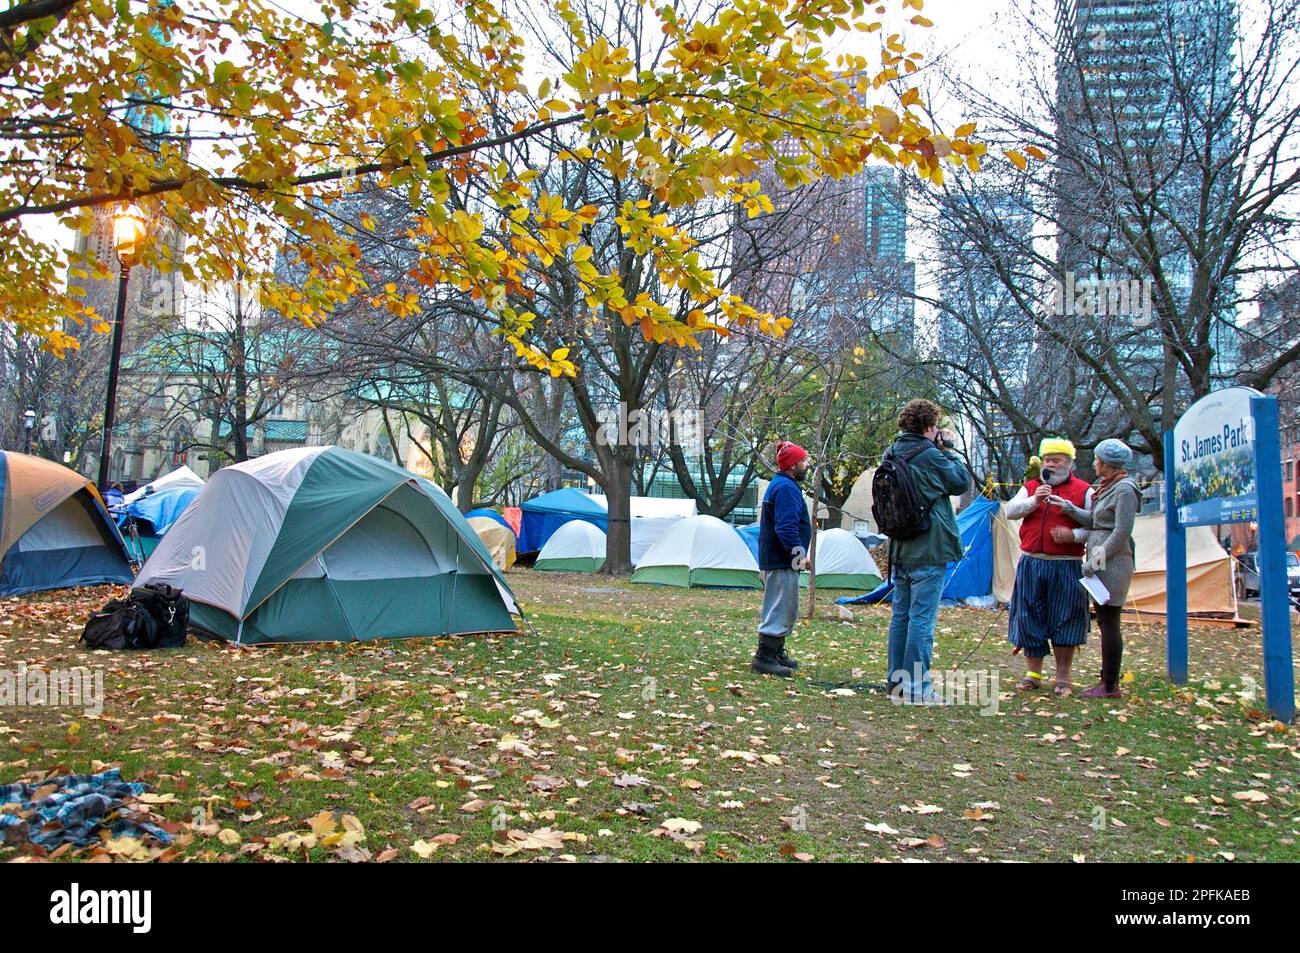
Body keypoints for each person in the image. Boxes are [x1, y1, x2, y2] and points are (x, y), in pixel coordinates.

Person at [884, 399, 970, 703]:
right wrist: (947, 448)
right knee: (922, 619)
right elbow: (960, 482)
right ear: (929, 426)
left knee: (901, 616)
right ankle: (918, 689)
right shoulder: (931, 454)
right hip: (929, 545)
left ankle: (896, 682)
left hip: (900, 546)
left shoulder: (891, 452)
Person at [1050, 439, 1140, 699]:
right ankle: (1107, 681)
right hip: (1100, 560)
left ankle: (1110, 685)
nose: (1095, 463)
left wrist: (1094, 561)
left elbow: (1121, 531)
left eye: (1099, 460)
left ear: (1109, 464)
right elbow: (1096, 520)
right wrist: (1068, 508)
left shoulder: (1124, 490)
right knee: (1103, 619)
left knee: (1110, 621)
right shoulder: (1108, 488)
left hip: (1113, 563)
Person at [1006, 438, 1093, 694]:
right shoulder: (1032, 486)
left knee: (1065, 620)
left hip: (1066, 565)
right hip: (1032, 563)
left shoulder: (1084, 490)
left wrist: (1073, 536)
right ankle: (1033, 675)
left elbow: (1096, 527)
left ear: (1069, 463)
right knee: (1028, 617)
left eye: (1056, 460)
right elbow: (1011, 511)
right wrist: (1034, 500)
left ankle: (1063, 678)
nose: (1051, 465)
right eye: (1047, 460)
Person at [753, 440, 812, 677]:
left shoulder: (781, 484)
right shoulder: (787, 488)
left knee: (785, 607)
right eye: (804, 461)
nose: (807, 466)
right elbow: (786, 527)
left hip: (778, 559)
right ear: (792, 465)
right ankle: (764, 658)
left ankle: (776, 653)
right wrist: (800, 555)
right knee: (779, 609)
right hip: (781, 559)